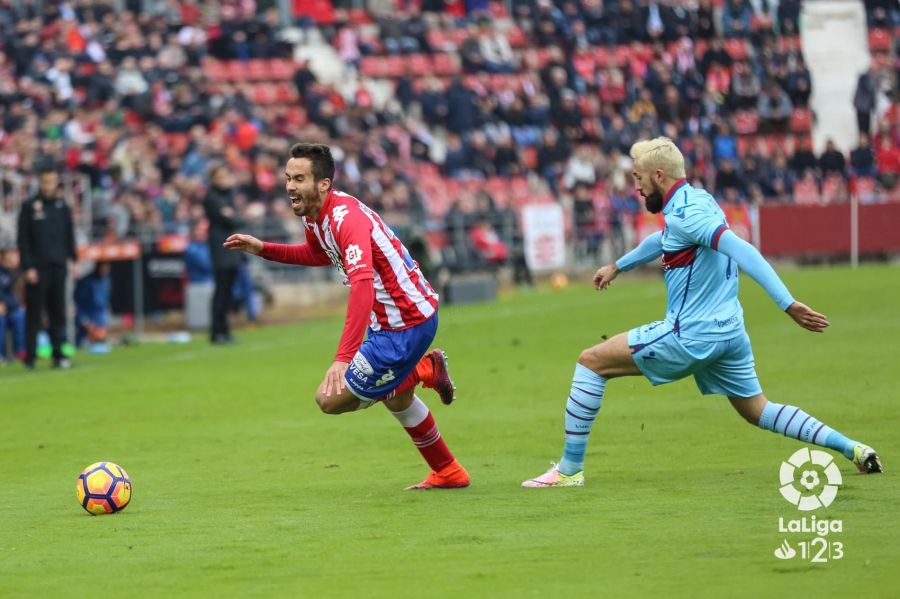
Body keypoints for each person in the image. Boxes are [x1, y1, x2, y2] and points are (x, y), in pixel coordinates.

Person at [522, 137, 883, 488]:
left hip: (691, 335)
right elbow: (664, 239)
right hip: (730, 334)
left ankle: (569, 471)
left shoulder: (687, 214)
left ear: (659, 175)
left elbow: (742, 249)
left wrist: (787, 303)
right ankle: (852, 448)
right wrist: (618, 266)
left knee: (591, 362)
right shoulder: (698, 200)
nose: (637, 187)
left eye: (639, 178)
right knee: (758, 410)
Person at [224, 143, 470, 490]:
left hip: (405, 323)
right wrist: (263, 249)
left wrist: (343, 358)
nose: (290, 186)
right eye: (288, 178)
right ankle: (448, 471)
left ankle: (424, 368)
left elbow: (362, 286)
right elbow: (318, 254)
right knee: (398, 399)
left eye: (299, 179)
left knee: (330, 400)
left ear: (323, 183)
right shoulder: (315, 215)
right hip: (391, 322)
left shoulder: (346, 218)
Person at [17, 166, 78, 370]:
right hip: (38, 268)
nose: (48, 185)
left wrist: (72, 260)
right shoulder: (29, 207)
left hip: (58, 266)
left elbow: (69, 235)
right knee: (34, 313)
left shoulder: (62, 206)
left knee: (57, 312)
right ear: (40, 182)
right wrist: (28, 266)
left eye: (51, 181)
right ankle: (30, 356)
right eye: (45, 181)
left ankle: (58, 353)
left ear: (56, 182)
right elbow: (23, 239)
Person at [203, 165, 244, 344]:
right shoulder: (211, 198)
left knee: (227, 291)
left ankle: (224, 331)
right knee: (221, 290)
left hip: (231, 248)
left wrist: (235, 216)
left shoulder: (227, 196)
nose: (224, 180)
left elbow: (235, 217)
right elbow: (230, 219)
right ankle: (217, 331)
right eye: (220, 177)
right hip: (221, 248)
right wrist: (236, 217)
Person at [74, 261, 112, 353]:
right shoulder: (86, 282)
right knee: (80, 340)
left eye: (107, 267)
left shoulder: (107, 280)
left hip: (100, 316)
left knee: (100, 337)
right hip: (87, 315)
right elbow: (78, 301)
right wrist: (84, 319)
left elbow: (105, 300)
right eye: (104, 267)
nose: (105, 270)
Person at [0, 247, 25, 365]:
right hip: (2, 308)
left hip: (12, 307)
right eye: (11, 255)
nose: (14, 258)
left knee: (20, 315)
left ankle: (20, 352)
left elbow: (17, 294)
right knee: (1, 320)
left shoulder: (16, 273)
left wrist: (20, 304)